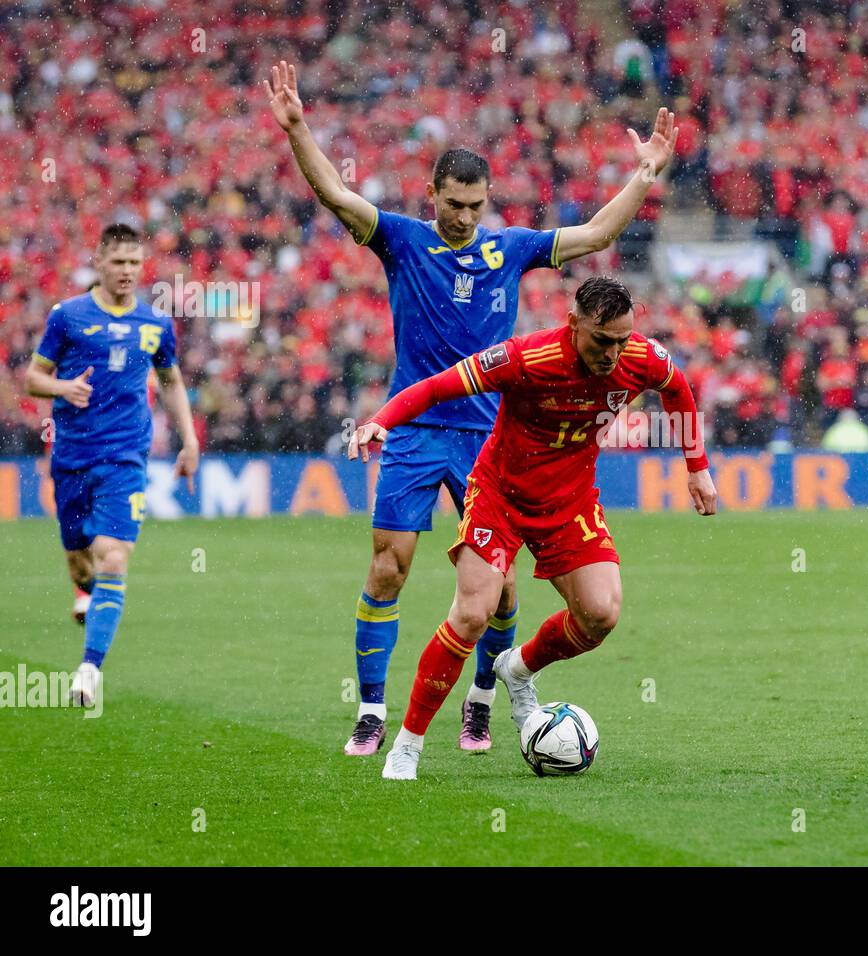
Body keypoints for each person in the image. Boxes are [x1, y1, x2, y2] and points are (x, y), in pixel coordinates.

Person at [265, 61, 678, 755]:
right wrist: (299, 129)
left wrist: (645, 174)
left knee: (503, 590)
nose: (463, 216)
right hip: (419, 426)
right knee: (388, 565)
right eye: (454, 203)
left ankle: (482, 702)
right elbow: (336, 193)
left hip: (491, 437)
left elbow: (598, 237)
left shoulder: (509, 248)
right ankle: (371, 710)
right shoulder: (402, 238)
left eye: (476, 205)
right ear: (431, 195)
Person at [347, 277, 718, 780]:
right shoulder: (525, 358)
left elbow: (678, 389)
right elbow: (438, 386)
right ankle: (407, 747)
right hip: (499, 495)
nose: (613, 354)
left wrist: (696, 466)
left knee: (600, 616)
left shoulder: (642, 357)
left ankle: (517, 668)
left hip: (569, 501)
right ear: (573, 325)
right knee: (473, 613)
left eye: (622, 341)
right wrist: (382, 420)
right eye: (601, 341)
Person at [24, 223, 200, 707]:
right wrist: (63, 388)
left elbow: (171, 380)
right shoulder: (69, 317)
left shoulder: (156, 324)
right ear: (98, 263)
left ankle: (89, 668)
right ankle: (84, 591)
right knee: (80, 557)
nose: (126, 271)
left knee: (114, 556)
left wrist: (188, 440)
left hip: (125, 458)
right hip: (72, 458)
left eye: (134, 263)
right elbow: (32, 379)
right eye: (117, 262)